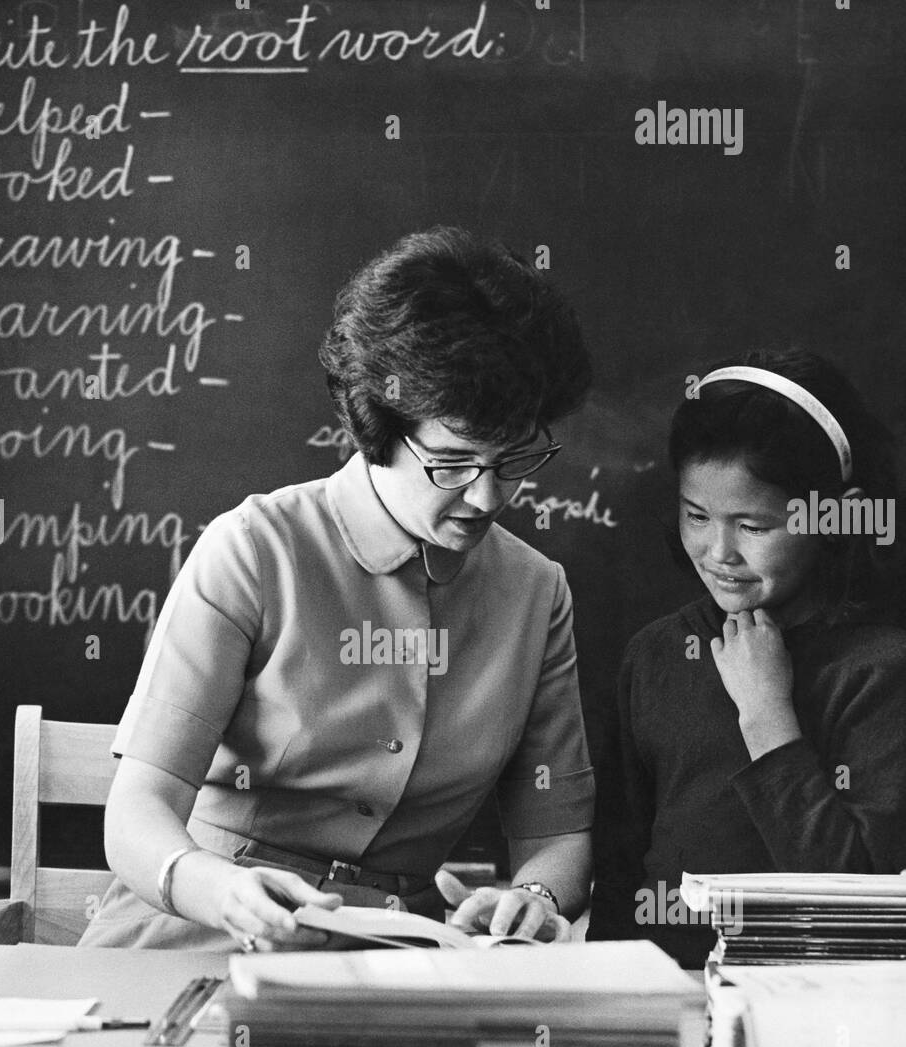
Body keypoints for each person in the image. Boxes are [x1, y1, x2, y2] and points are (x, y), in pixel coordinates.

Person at [80, 226, 595, 951]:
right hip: (202, 933)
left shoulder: (535, 593)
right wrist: (219, 889)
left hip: (398, 954)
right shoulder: (256, 549)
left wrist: (532, 898)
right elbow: (137, 813)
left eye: (512, 460)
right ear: (376, 425)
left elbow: (557, 833)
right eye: (452, 462)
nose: (488, 498)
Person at [588, 347, 906, 968]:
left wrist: (766, 716)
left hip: (819, 1004)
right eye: (696, 516)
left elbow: (859, 893)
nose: (718, 552)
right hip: (667, 993)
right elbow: (621, 860)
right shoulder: (656, 655)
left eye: (754, 527)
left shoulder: (880, 670)